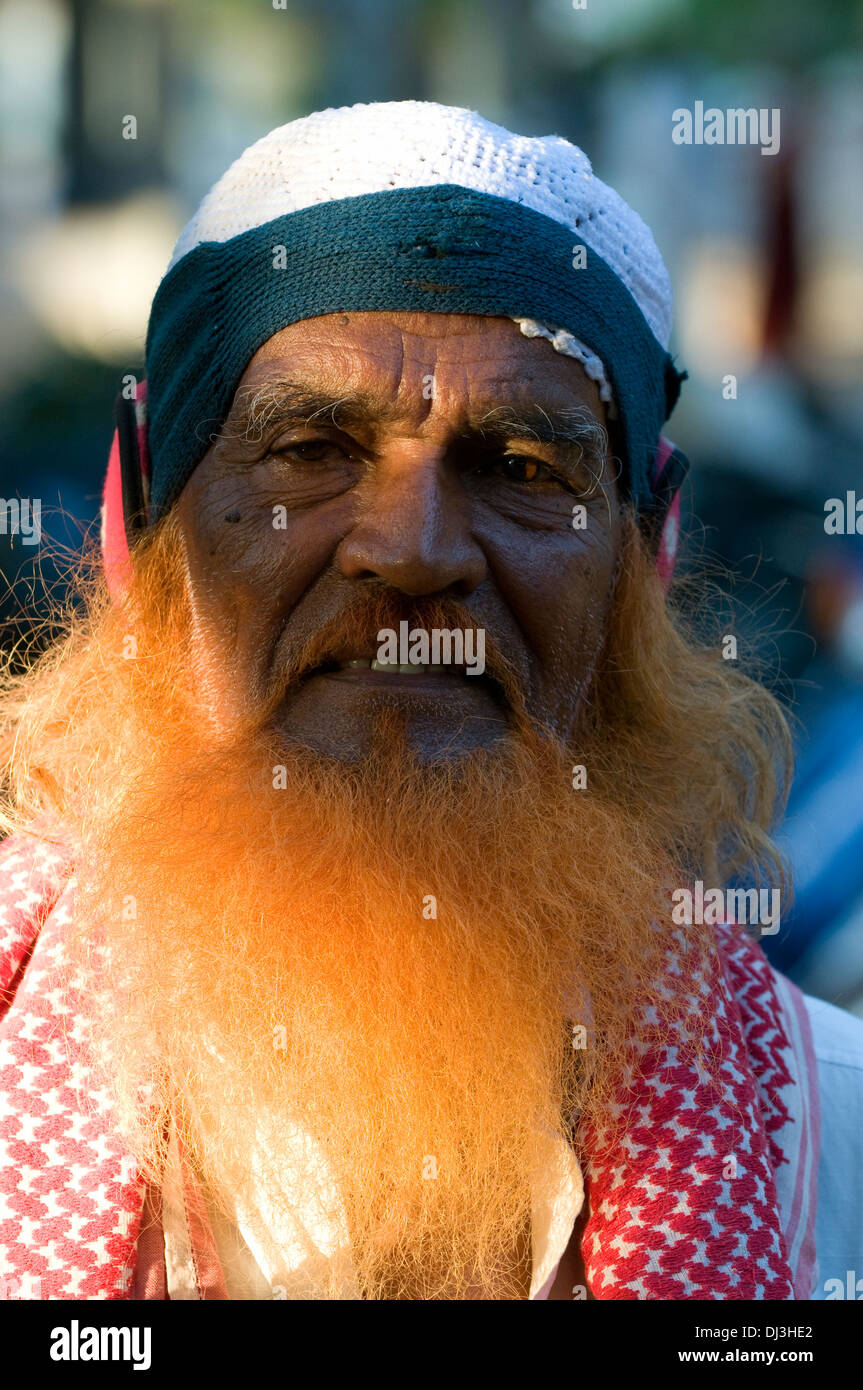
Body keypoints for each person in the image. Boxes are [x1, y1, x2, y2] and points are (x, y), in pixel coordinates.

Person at [1, 101, 860, 1302]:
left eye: (518, 468)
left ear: (643, 562)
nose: (408, 549)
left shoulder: (833, 1145)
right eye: (308, 451)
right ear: (140, 523)